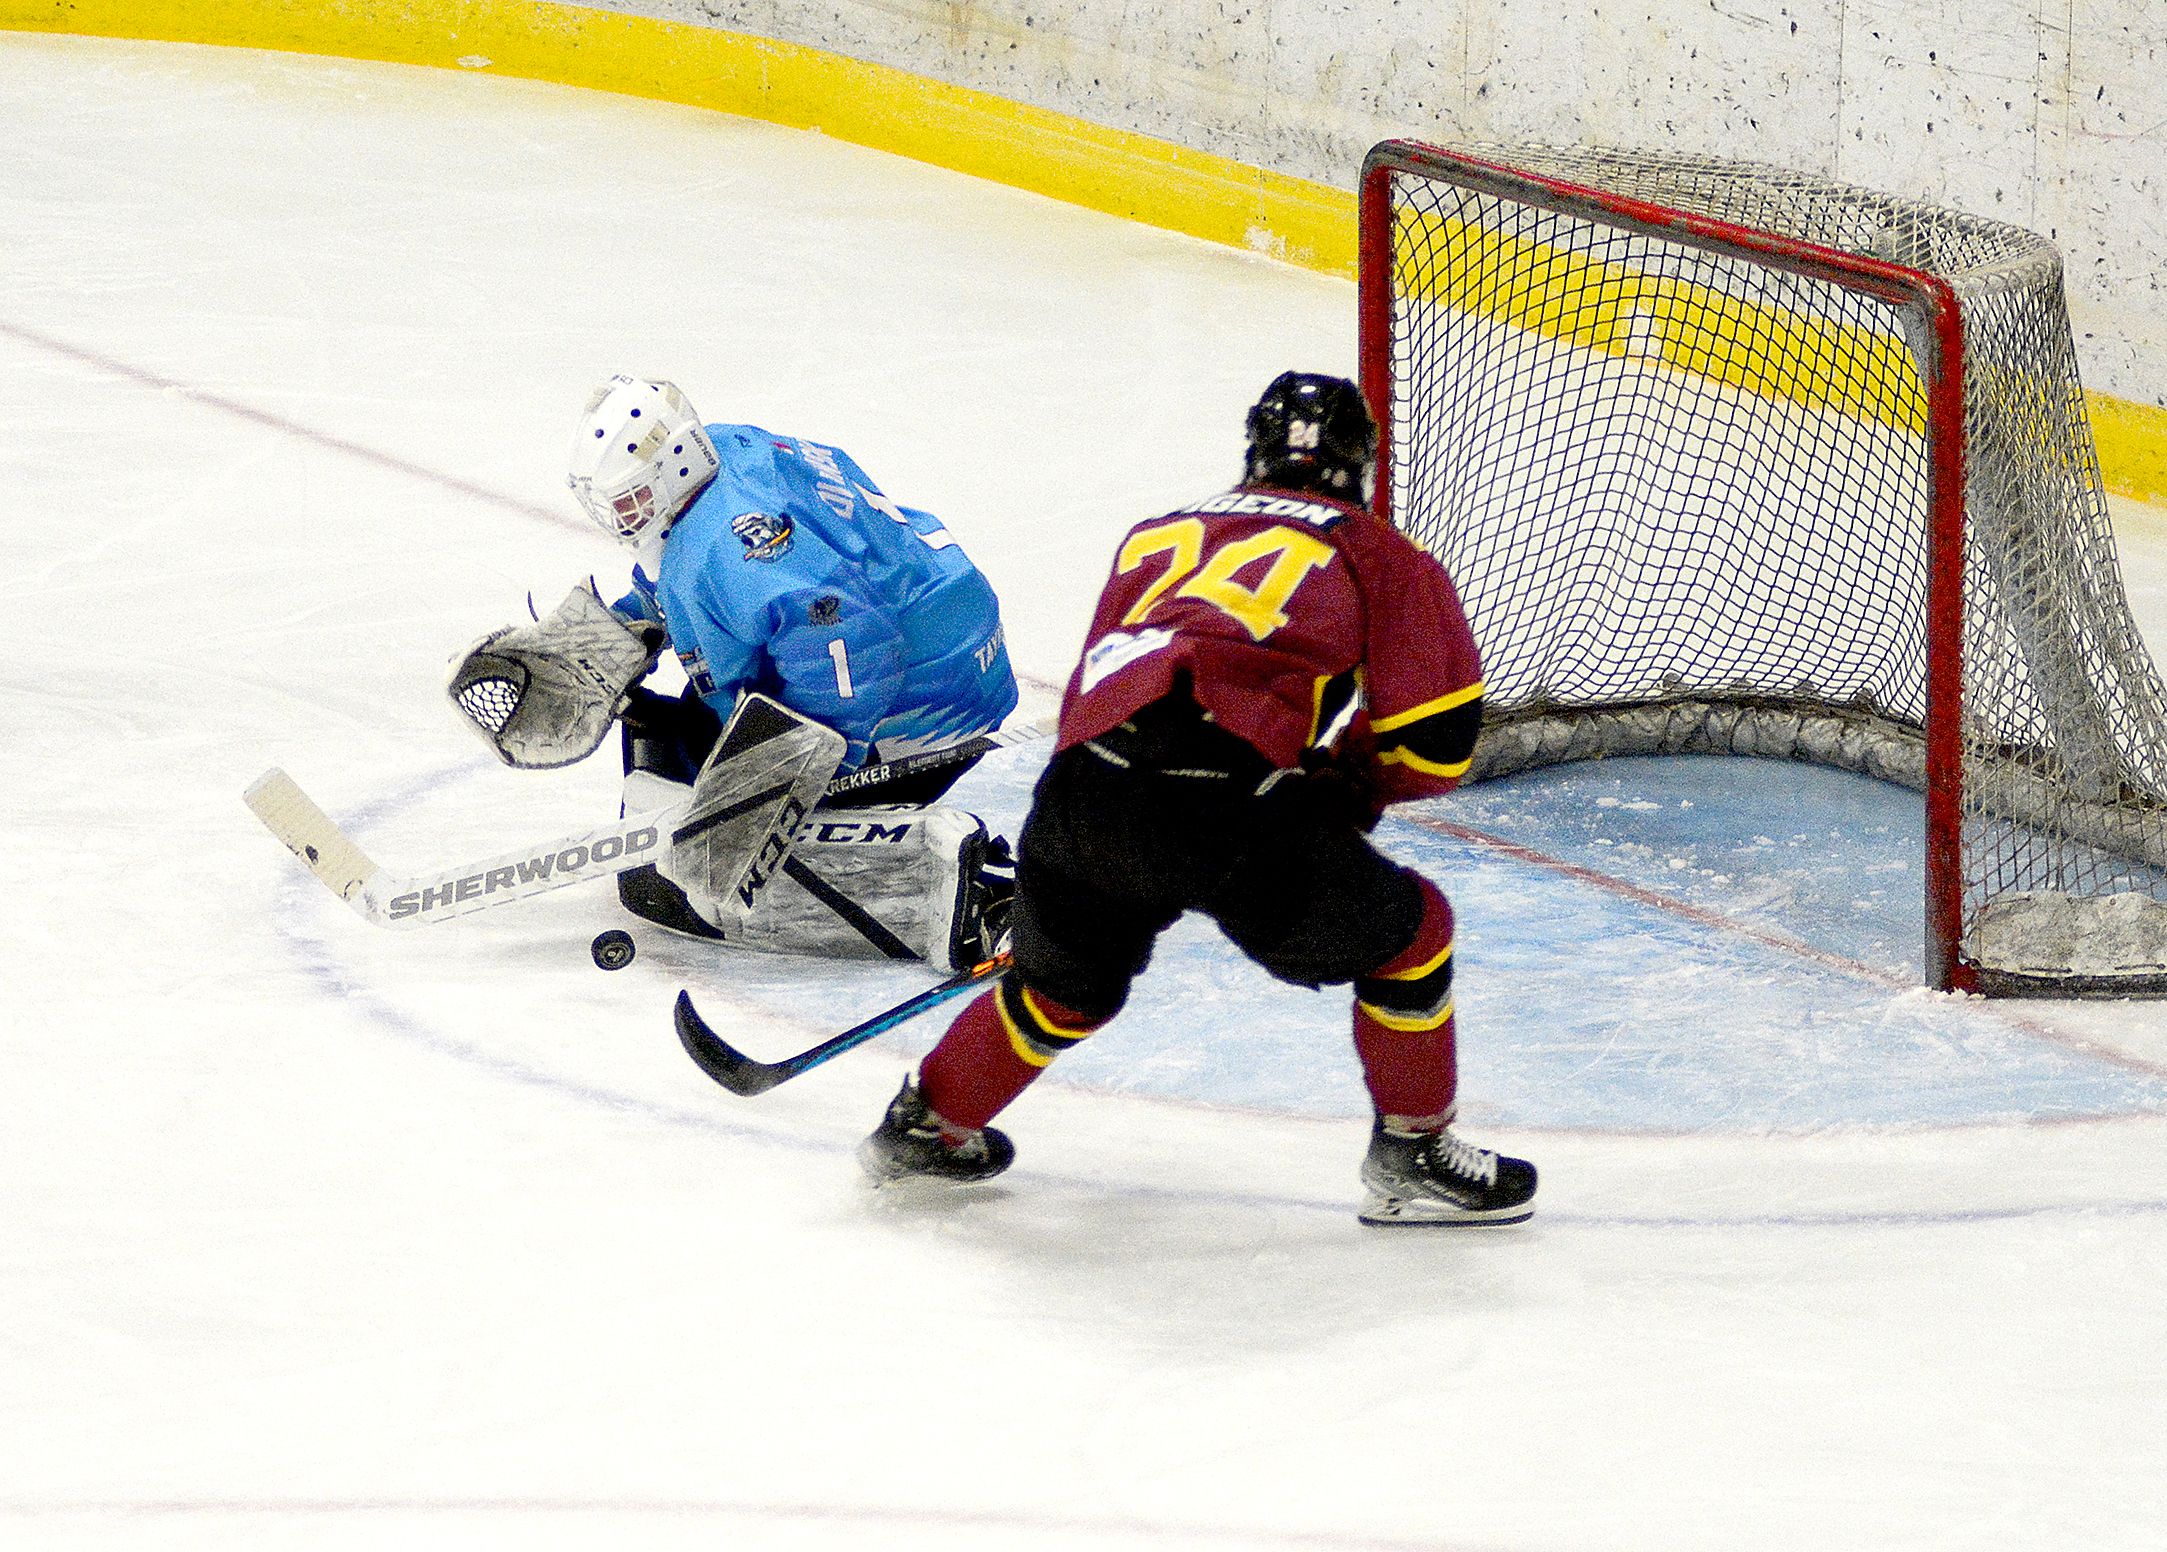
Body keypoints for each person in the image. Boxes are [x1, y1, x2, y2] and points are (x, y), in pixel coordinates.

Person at [855, 371, 1537, 1226]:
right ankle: (1413, 1149)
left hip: (1080, 789)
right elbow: (1432, 745)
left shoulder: (1159, 533)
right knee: (1412, 935)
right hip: (1225, 797)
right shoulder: (1378, 552)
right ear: (1361, 463)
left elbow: (1092, 695)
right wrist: (1338, 788)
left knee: (1059, 990)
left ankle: (927, 1124)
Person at [451, 374, 1021, 969]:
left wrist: (796, 768)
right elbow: (702, 580)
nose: (622, 518)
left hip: (926, 699)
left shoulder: (745, 545)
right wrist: (621, 631)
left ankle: (977, 896)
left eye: (629, 501)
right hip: (939, 630)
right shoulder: (719, 458)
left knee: (707, 870)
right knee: (670, 767)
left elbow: (850, 646)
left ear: (673, 467)